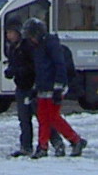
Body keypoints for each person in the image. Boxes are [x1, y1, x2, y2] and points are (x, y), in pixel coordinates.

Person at [33, 22, 88, 158]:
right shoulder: (39, 46)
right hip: (44, 86)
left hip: (53, 87)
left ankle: (75, 140)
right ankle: (43, 146)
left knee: (52, 117)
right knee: (43, 117)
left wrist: (58, 86)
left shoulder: (50, 45)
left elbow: (59, 65)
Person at [4, 16, 44, 157]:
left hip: (31, 86)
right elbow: (13, 64)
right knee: (23, 118)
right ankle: (25, 146)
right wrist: (10, 71)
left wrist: (19, 70)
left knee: (41, 117)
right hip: (21, 86)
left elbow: (34, 66)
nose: (8, 36)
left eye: (11, 32)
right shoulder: (12, 48)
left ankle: (52, 143)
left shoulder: (27, 46)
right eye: (7, 33)